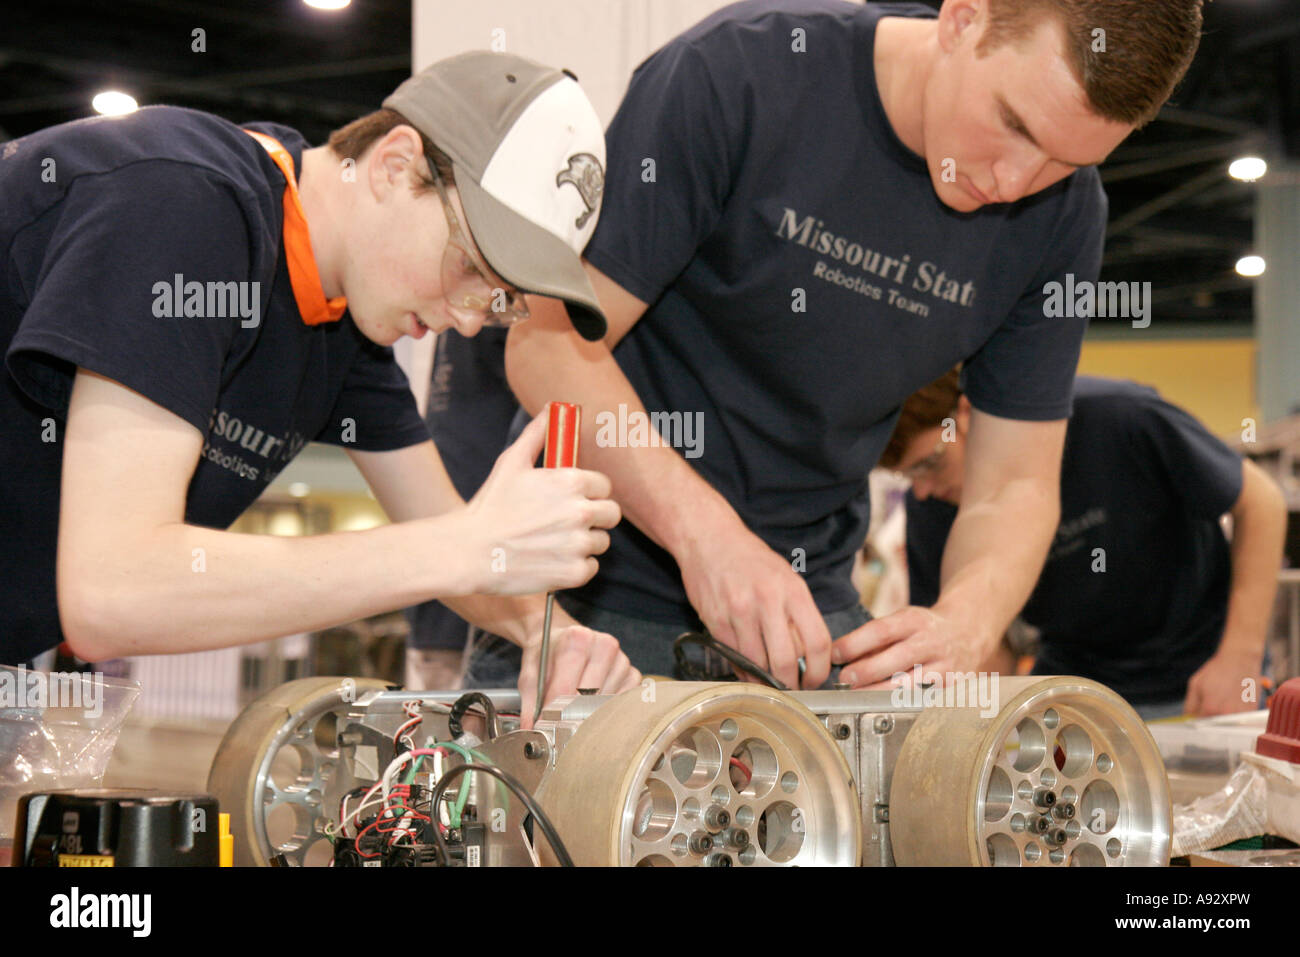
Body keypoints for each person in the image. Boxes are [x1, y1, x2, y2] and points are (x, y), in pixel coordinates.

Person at [463, 0, 1204, 691]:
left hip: (810, 622)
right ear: (963, 20)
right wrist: (706, 535)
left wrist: (965, 623)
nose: (1016, 182)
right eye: (1014, 125)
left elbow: (1016, 481)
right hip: (588, 595)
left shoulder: (1064, 217)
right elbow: (546, 349)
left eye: (1066, 162)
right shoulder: (740, 76)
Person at [0, 51, 641, 722]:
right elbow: (112, 591)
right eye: (472, 267)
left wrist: (559, 636)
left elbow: (449, 529)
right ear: (397, 166)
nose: (473, 319)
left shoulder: (344, 327)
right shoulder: (181, 204)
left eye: (502, 299)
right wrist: (461, 550)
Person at [884, 369, 1288, 718]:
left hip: (1204, 667)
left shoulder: (1115, 415)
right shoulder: (934, 502)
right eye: (907, 476)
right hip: (1076, 682)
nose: (921, 489)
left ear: (966, 413)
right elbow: (984, 647)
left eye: (929, 462)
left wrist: (1240, 656)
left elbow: (1262, 503)